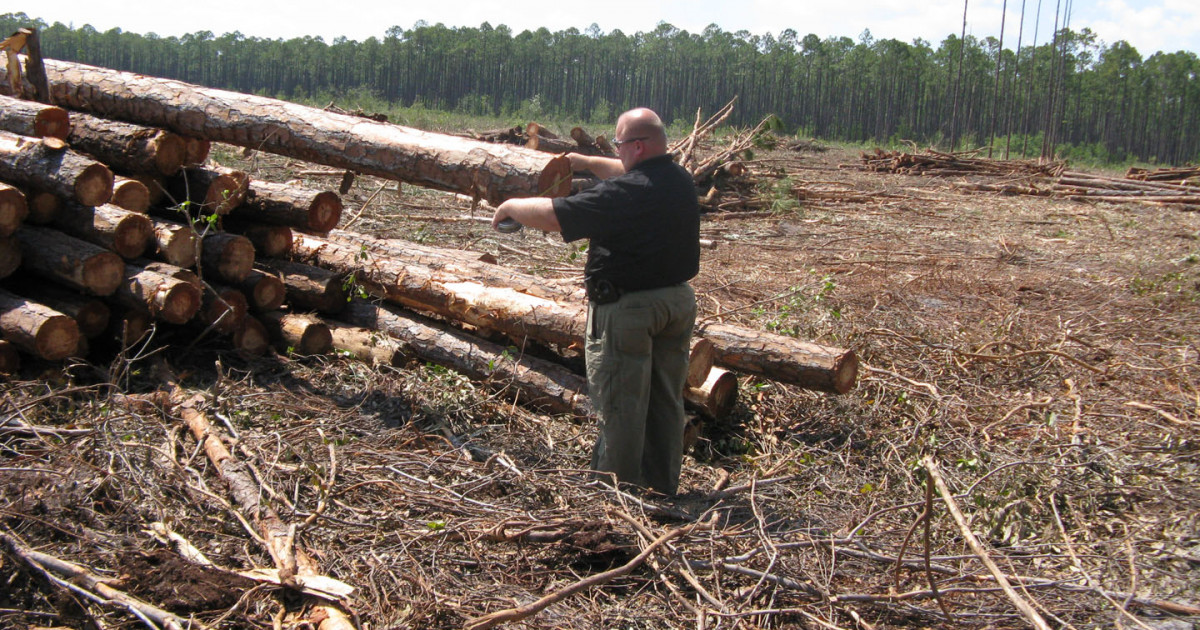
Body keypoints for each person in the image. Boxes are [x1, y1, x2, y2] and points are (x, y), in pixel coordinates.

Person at [492, 107, 700, 495]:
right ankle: (660, 490)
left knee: (621, 406)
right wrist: (583, 161)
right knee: (665, 402)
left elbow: (558, 216)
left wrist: (510, 206)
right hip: (676, 303)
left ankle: (614, 500)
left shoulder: (623, 194)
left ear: (637, 146)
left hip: (629, 311)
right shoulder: (676, 179)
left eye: (620, 144)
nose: (617, 152)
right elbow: (629, 173)